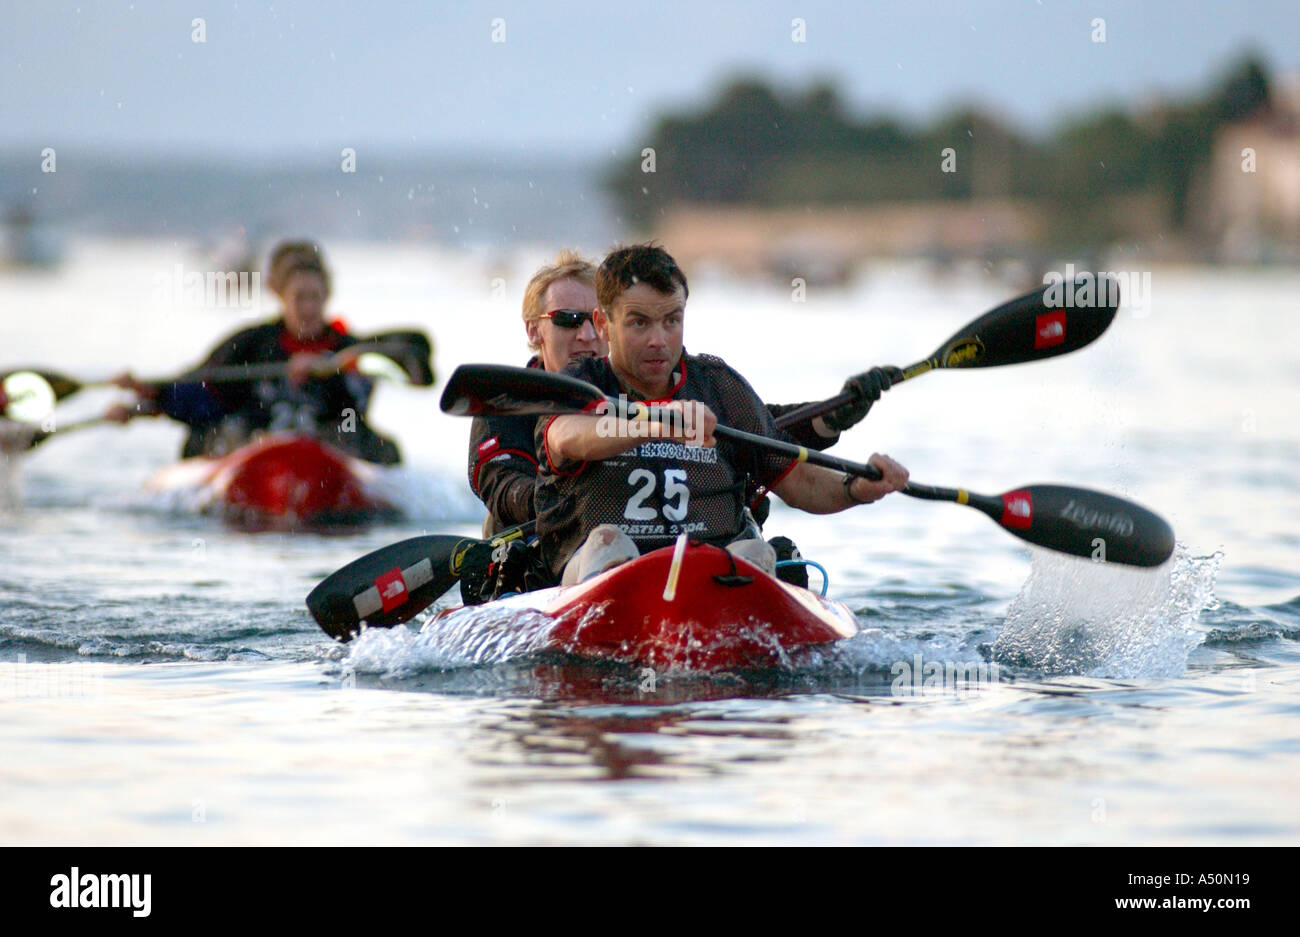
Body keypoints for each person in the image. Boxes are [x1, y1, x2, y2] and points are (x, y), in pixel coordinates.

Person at [536, 243, 909, 586]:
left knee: (755, 553)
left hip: (707, 576)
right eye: (639, 323)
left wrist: (857, 489)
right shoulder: (581, 383)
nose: (659, 340)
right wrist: (654, 423)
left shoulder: (720, 387)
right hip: (596, 571)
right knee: (608, 542)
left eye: (672, 320)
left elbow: (801, 483)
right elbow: (566, 436)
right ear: (604, 325)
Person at [107, 241, 401, 464]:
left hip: (329, 450)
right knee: (204, 439)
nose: (309, 308)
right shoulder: (252, 344)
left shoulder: (351, 351)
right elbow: (207, 392)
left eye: (316, 298)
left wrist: (326, 368)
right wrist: (146, 395)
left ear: (327, 296)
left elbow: (407, 365)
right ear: (281, 296)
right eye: (300, 298)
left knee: (386, 450)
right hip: (257, 449)